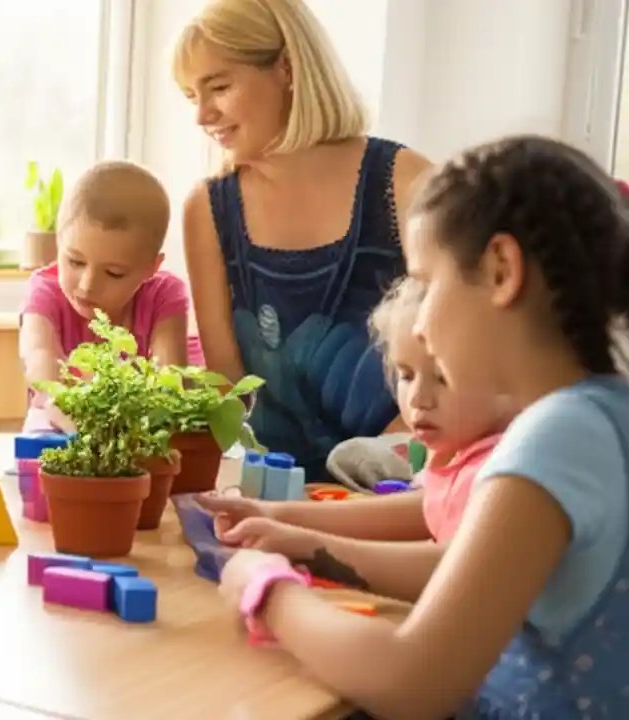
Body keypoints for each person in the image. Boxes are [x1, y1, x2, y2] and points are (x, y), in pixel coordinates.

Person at [217, 135, 629, 718]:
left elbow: (410, 681)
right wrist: (307, 541)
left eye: (425, 283)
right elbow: (471, 570)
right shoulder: (606, 415)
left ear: (501, 270)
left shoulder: (560, 435)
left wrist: (268, 592)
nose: (423, 323)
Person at [175, 0, 432, 481]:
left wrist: (383, 466)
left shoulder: (406, 183)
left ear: (287, 69)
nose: (202, 116)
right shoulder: (206, 210)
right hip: (271, 492)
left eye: (220, 87)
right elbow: (229, 388)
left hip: (398, 484)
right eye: (192, 96)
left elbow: (461, 357)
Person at [197, 277, 510, 602]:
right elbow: (425, 507)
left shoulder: (500, 468)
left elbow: (457, 573)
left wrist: (304, 551)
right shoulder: (459, 455)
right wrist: (272, 514)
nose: (418, 398)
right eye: (405, 374)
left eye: (443, 377)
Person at [19, 160, 202, 432]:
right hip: (58, 421)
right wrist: (83, 427)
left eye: (114, 273)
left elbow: (170, 381)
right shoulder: (45, 291)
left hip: (138, 427)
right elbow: (39, 362)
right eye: (75, 262)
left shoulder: (164, 295)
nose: (87, 285)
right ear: (59, 242)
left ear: (151, 268)